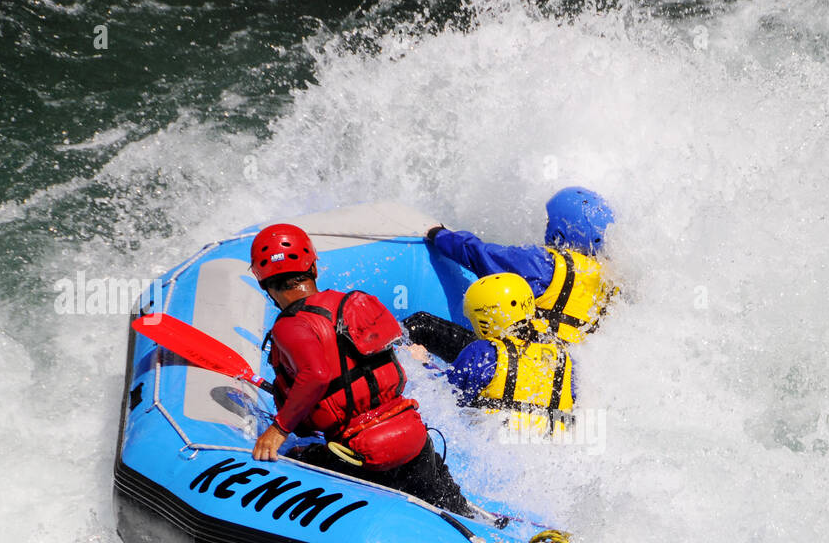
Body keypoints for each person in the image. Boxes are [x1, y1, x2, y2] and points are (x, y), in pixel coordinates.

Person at [247, 223, 471, 515]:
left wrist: (278, 429)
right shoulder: (354, 303)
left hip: (360, 456)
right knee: (451, 505)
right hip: (413, 438)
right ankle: (462, 510)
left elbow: (316, 375)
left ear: (264, 284)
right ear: (313, 268)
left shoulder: (289, 327)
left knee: (299, 455)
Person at [422, 186, 616, 346]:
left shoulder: (545, 264)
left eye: (549, 222)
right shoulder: (609, 280)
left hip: (530, 365)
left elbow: (480, 255)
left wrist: (439, 234)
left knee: (420, 325)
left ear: (560, 231)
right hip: (565, 376)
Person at [408, 273, 574, 437]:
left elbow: (444, 396)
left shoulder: (483, 352)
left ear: (486, 318)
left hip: (496, 443)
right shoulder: (562, 355)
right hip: (551, 444)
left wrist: (424, 363)